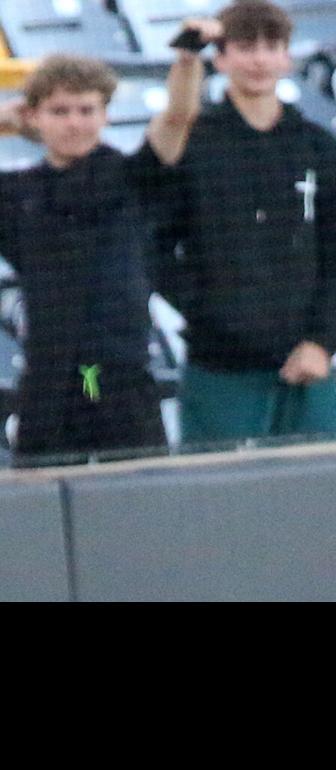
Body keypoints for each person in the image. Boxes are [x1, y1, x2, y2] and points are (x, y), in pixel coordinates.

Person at [156, 0, 336, 445]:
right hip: (221, 368)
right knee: (222, 503)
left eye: (272, 46)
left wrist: (322, 341)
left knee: (331, 494)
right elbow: (153, 246)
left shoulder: (318, 147)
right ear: (221, 57)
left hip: (304, 366)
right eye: (245, 46)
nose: (258, 59)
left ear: (287, 58)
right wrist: (207, 314)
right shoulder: (192, 147)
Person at [0, 32, 210, 466]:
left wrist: (188, 57)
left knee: (139, 501)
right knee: (42, 505)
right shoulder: (16, 194)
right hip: (49, 379)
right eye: (59, 111)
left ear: (106, 115)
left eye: (86, 110)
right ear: (33, 116)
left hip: (119, 376)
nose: (74, 122)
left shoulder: (133, 178)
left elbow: (178, 117)